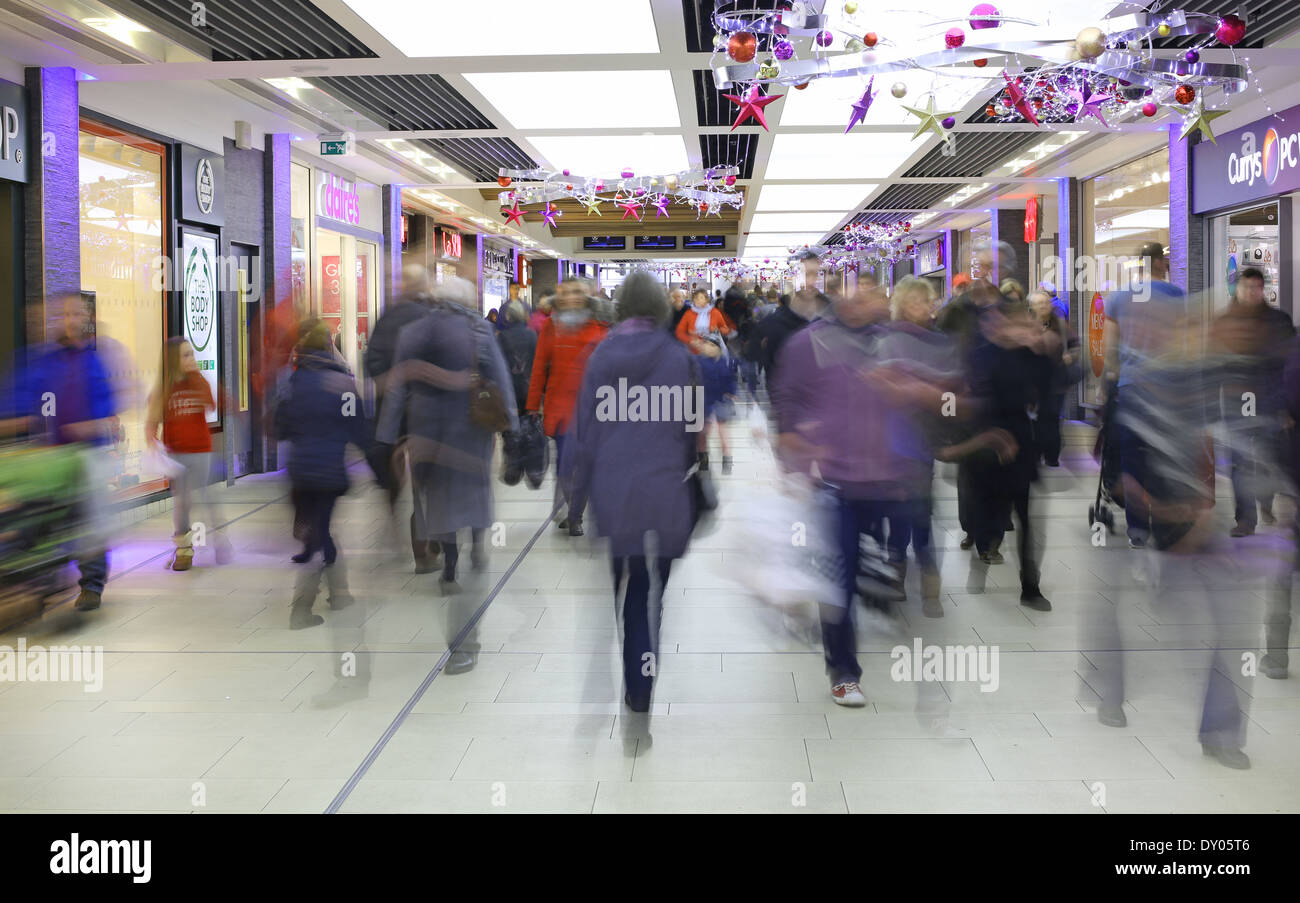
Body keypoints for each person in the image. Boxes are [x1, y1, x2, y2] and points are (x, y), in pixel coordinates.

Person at [569, 271, 698, 714]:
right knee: (652, 589)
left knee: (630, 583)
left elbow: (583, 430)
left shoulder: (601, 356)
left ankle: (635, 679)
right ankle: (644, 674)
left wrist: (576, 492)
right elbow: (690, 427)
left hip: (614, 489)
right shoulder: (677, 356)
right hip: (664, 488)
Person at [378, 277, 519, 604]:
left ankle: (450, 567)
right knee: (475, 486)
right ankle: (478, 546)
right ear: (467, 300)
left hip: (426, 426)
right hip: (472, 425)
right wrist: (510, 421)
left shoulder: (413, 331)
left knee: (438, 496)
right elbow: (499, 376)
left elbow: (398, 385)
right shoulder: (479, 331)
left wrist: (387, 432)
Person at [5, 294, 119, 611]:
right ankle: (41, 581)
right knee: (45, 517)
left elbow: (110, 412)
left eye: (76, 313)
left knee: (91, 519)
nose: (69, 319)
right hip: (54, 456)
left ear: (87, 318)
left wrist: (92, 426)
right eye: (64, 314)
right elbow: (33, 405)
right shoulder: (47, 361)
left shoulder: (97, 360)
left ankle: (92, 586)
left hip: (88, 455)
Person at [276, 320, 367, 629]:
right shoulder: (342, 384)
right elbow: (358, 428)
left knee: (319, 530)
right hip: (329, 471)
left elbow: (280, 427)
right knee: (320, 531)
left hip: (300, 470)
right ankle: (302, 609)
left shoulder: (293, 381)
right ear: (331, 347)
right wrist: (380, 468)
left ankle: (339, 595)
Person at [1102, 241, 1187, 549]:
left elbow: (1110, 349)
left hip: (1132, 391)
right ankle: (1165, 529)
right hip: (1167, 392)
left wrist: (1111, 378)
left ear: (1141, 264)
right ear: (1161, 264)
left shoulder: (1120, 299)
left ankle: (1138, 530)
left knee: (1133, 461)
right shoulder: (1177, 297)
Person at [1210, 266, 1295, 537]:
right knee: (1239, 460)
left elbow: (1291, 364)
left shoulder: (1278, 322)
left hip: (1271, 399)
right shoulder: (1224, 322)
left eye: (1257, 288)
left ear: (1263, 290)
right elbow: (1212, 366)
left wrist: (1288, 405)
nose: (1252, 293)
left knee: (1270, 457)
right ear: (1239, 289)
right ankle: (1245, 519)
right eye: (1247, 288)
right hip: (1236, 401)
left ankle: (1266, 500)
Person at [365, 265, 438, 571]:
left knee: (395, 472)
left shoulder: (387, 317)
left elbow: (371, 361)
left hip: (391, 413)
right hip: (426, 414)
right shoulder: (433, 317)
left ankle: (392, 515)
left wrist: (391, 383)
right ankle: (423, 550)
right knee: (425, 483)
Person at [526, 279, 606, 536]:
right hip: (560, 410)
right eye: (568, 293)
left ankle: (576, 515)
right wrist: (531, 405)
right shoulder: (551, 327)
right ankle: (574, 511)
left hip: (595, 409)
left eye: (579, 292)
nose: (573, 297)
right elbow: (539, 367)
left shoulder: (601, 326)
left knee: (588, 464)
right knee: (565, 465)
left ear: (588, 296)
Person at [144, 336, 230, 571]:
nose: (191, 358)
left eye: (192, 354)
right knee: (183, 502)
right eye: (185, 355)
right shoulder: (163, 389)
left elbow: (211, 403)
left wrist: (195, 376)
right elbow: (152, 419)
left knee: (205, 496)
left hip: (201, 450)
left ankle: (219, 537)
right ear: (173, 361)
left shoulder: (197, 381)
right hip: (175, 455)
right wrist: (151, 440)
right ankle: (183, 549)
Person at [751, 251, 830, 390]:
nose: (810, 281)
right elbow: (771, 371)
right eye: (806, 275)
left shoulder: (832, 316)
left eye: (815, 274)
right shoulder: (774, 322)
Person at [1029, 289, 1080, 467]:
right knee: (1034, 420)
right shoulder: (1028, 325)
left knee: (1051, 419)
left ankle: (1052, 456)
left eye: (1046, 303)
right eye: (1039, 303)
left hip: (1056, 381)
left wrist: (1071, 356)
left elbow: (1076, 345)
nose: (1043, 306)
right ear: (1032, 306)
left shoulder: (1060, 325)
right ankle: (1035, 454)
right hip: (1033, 382)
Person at [497, 300, 537, 417]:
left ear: (508, 316)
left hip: (509, 386)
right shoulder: (531, 334)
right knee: (526, 423)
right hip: (527, 386)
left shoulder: (502, 336)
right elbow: (536, 361)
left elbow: (500, 363)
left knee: (510, 422)